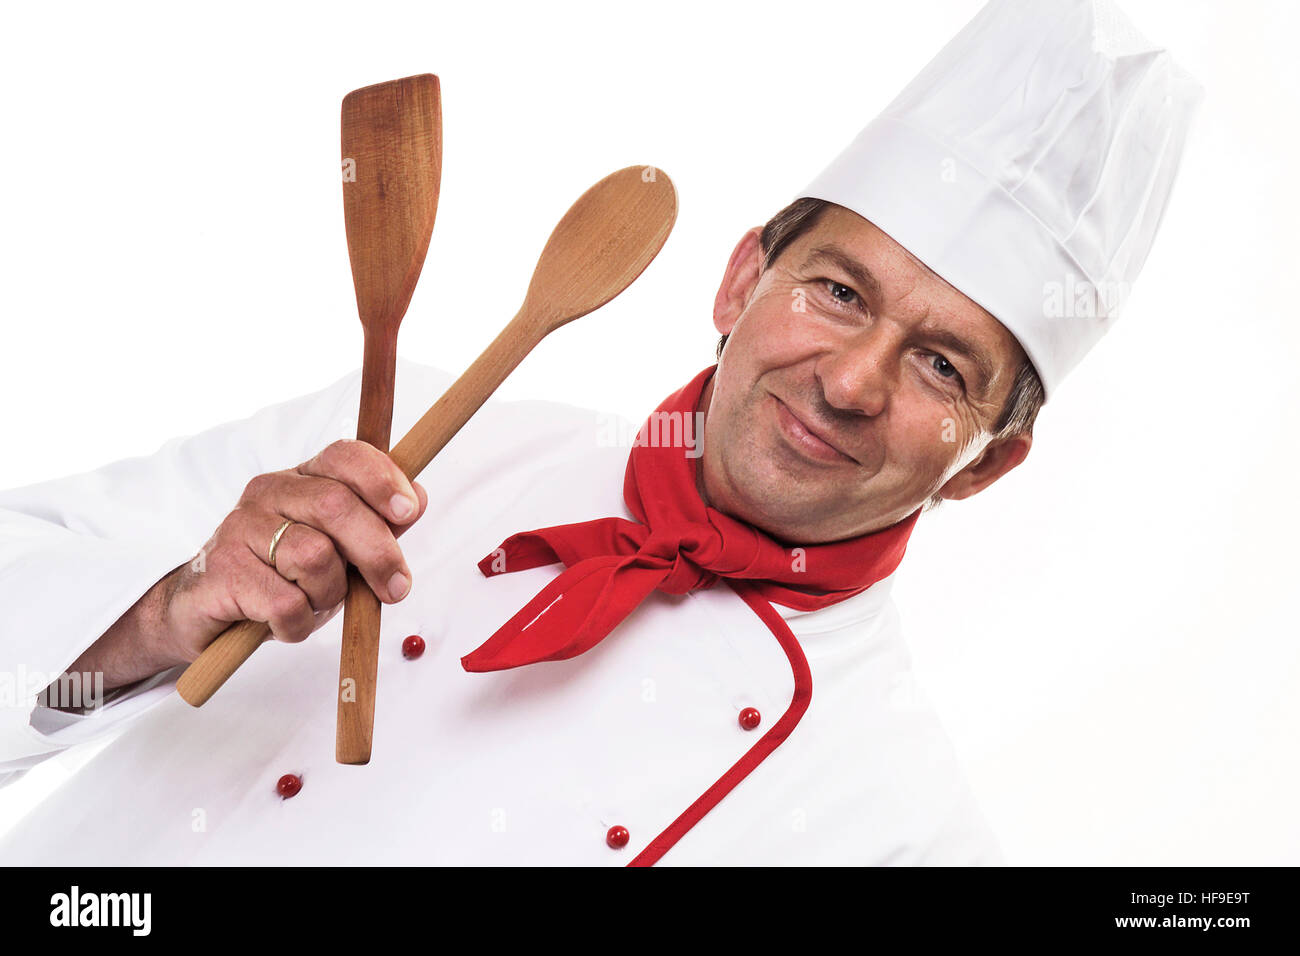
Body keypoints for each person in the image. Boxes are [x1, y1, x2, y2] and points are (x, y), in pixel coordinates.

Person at [0, 0, 1200, 865]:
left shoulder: (898, 822)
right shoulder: (394, 432)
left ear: (988, 461)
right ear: (738, 283)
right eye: (837, 290)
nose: (848, 380)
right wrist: (158, 617)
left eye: (941, 363)